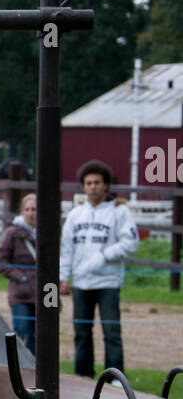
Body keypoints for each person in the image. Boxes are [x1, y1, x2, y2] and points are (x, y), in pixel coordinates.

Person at [59, 159, 139, 378]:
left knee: (111, 333)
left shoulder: (119, 212)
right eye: (88, 183)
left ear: (106, 185)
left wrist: (104, 256)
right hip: (82, 283)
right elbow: (67, 248)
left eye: (97, 182)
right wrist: (63, 277)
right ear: (83, 187)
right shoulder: (75, 215)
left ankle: (114, 378)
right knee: (81, 333)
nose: (93, 186)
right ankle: (83, 376)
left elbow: (131, 243)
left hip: (108, 283)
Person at [0, 193, 37, 354]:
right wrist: (22, 277)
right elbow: (0, 262)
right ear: (22, 211)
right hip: (21, 293)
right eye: (27, 209)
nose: (31, 213)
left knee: (40, 336)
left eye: (34, 209)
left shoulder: (47, 232)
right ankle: (18, 367)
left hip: (44, 293)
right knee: (22, 331)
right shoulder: (12, 233)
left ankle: (36, 372)